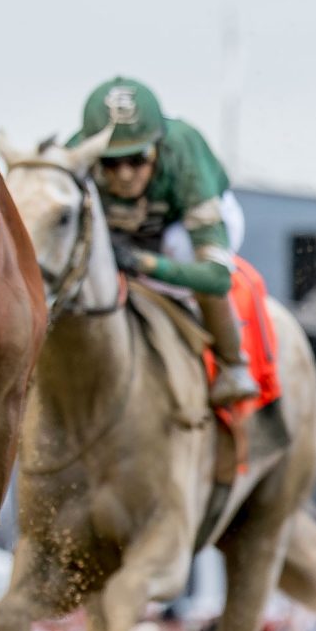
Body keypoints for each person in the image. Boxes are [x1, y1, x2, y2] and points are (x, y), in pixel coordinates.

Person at [69, 77, 259, 407]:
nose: (125, 174)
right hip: (122, 231)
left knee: (178, 248)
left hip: (180, 225)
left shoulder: (185, 154)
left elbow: (215, 276)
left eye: (138, 158)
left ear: (158, 146)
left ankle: (232, 364)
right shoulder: (74, 157)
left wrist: (141, 263)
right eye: (111, 162)